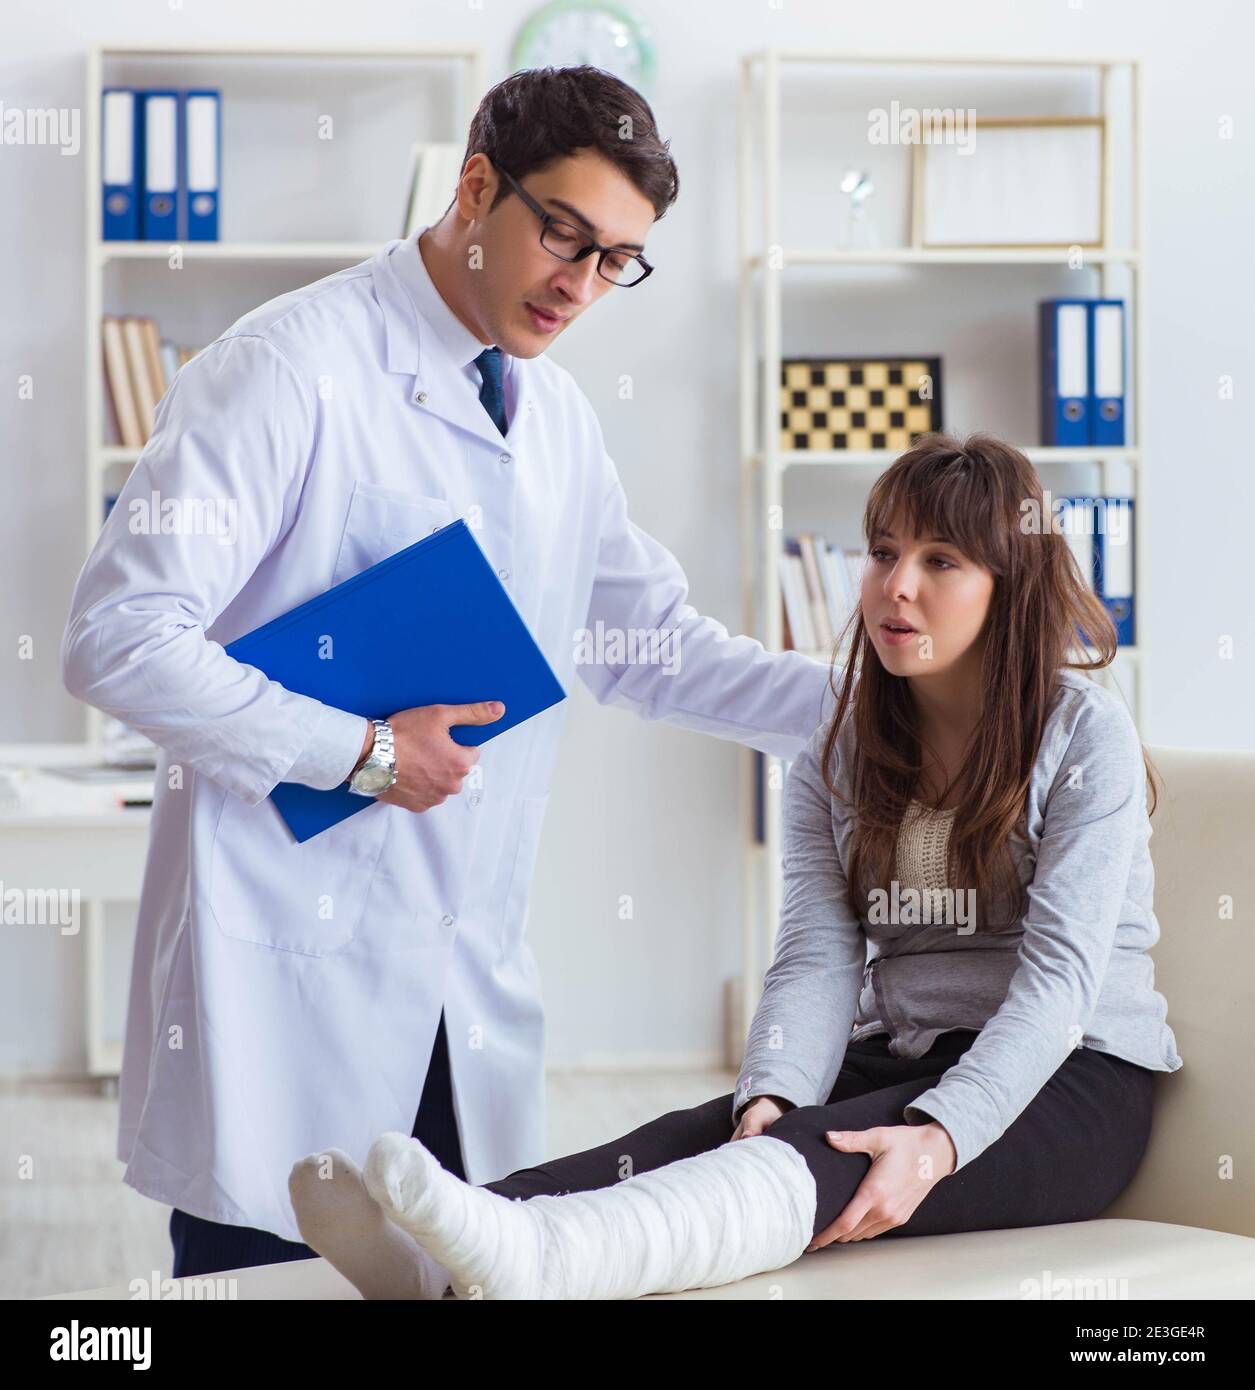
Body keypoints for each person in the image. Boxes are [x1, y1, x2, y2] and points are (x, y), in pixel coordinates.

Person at [60, 66, 833, 1278]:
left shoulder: (558, 420)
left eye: (615, 259)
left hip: (463, 989)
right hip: (283, 981)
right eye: (562, 236)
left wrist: (890, 704)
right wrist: (362, 754)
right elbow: (119, 637)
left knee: (460, 1273)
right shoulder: (286, 367)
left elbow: (657, 651)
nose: (579, 285)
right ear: (477, 185)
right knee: (271, 1274)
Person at [289, 432, 1183, 1300]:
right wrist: (773, 1089)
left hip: (1072, 1079)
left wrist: (939, 1137)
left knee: (813, 1157)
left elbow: (1061, 983)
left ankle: (540, 1263)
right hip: (908, 1052)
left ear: (1009, 585)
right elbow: (817, 957)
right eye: (881, 552)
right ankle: (437, 1252)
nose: (895, 587)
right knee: (703, 1130)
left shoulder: (1081, 735)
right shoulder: (840, 744)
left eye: (941, 561)